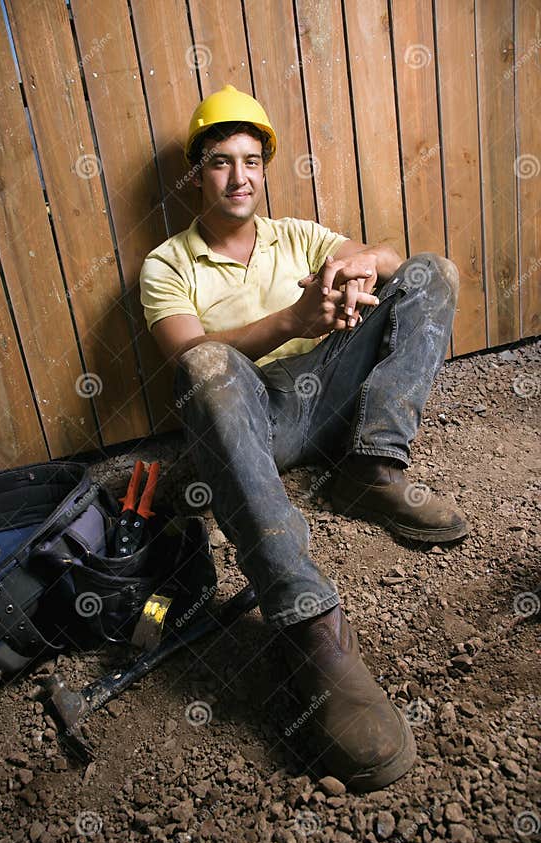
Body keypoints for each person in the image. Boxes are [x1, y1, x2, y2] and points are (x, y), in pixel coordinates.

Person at [140, 84, 470, 791]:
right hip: (255, 422)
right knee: (207, 364)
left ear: (265, 169)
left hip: (333, 402)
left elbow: (380, 253)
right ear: (197, 175)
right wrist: (292, 321)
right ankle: (308, 624)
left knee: (430, 270)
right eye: (222, 162)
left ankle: (372, 468)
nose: (239, 176)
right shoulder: (167, 263)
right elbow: (188, 352)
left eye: (252, 161)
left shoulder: (297, 234)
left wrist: (355, 269)